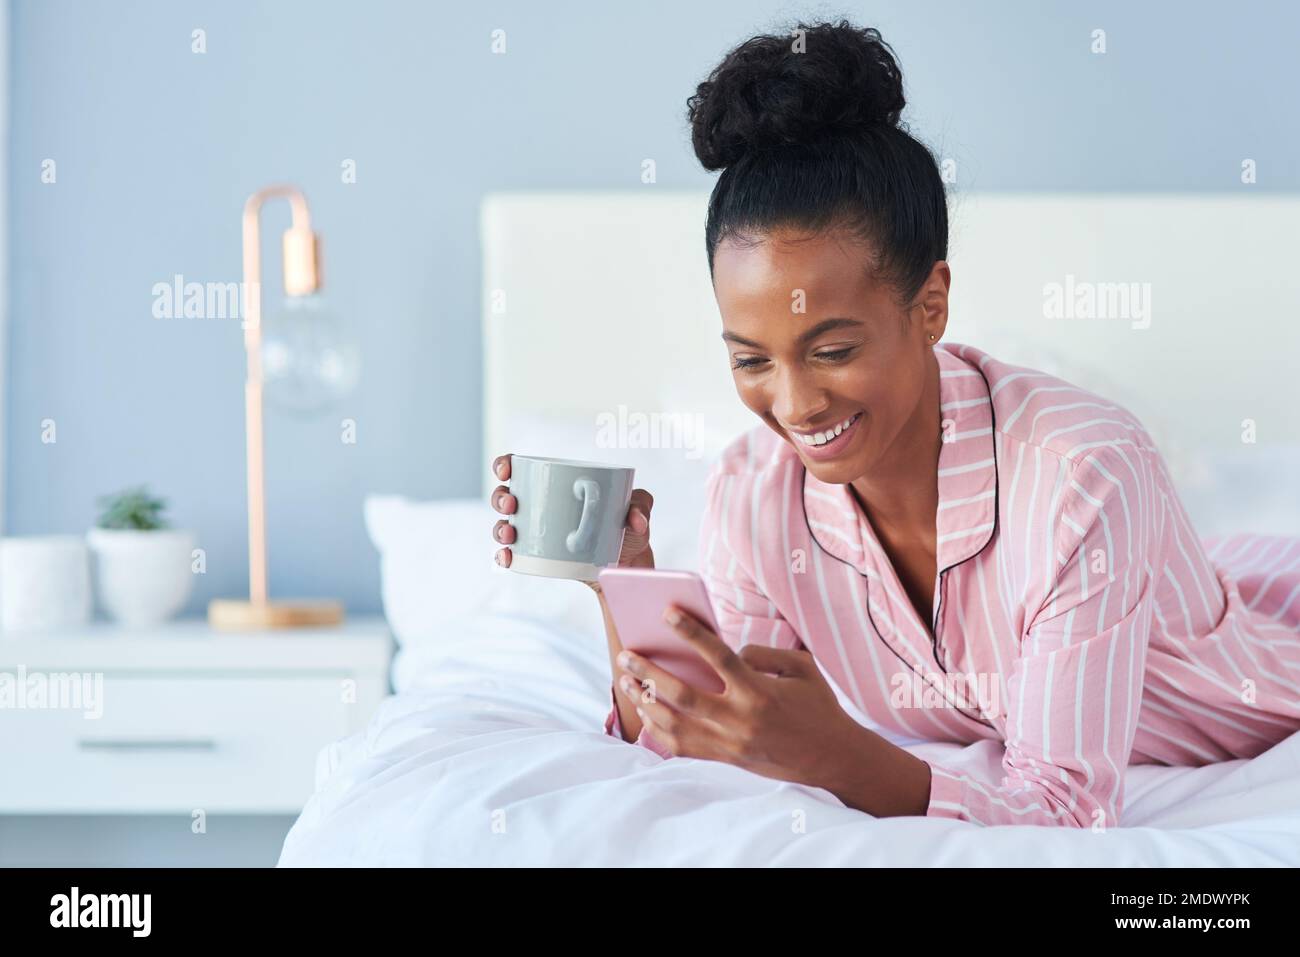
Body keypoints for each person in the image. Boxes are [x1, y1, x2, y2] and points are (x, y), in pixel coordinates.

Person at [490, 19, 1300, 827]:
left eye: (833, 348)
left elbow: (1066, 816)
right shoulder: (751, 492)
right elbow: (710, 736)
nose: (797, 404)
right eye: (751, 360)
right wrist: (619, 584)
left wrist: (845, 756)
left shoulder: (1081, 473)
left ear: (931, 305)